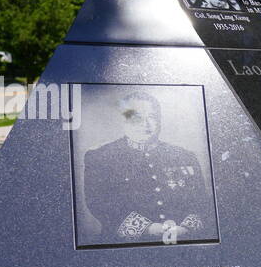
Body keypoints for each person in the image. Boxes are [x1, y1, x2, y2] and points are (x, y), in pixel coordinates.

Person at [81, 91, 213, 244]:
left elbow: (202, 202)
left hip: (183, 240)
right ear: (123, 121)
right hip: (125, 246)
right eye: (136, 117)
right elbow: (99, 202)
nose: (145, 124)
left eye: (152, 117)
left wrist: (186, 228)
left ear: (160, 120)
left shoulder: (185, 156)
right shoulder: (100, 157)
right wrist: (147, 228)